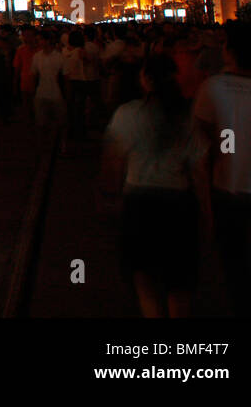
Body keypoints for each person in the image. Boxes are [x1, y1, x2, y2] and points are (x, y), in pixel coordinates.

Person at [102, 54, 205, 317]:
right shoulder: (189, 117)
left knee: (144, 280)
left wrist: (109, 197)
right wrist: (207, 210)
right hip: (179, 202)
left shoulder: (127, 114)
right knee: (179, 284)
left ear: (146, 79)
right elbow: (199, 169)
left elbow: (114, 162)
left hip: (139, 202)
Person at [192, 20, 251, 317]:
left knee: (235, 264)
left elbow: (200, 143)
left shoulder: (214, 87)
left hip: (227, 188)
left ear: (228, 51)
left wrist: (202, 198)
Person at [31, 32, 67, 152]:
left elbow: (65, 77)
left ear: (47, 41)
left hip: (56, 93)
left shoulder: (59, 57)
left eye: (41, 40)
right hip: (41, 92)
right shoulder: (37, 57)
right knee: (41, 123)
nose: (39, 42)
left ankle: (61, 144)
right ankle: (43, 145)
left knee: (59, 122)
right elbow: (34, 76)